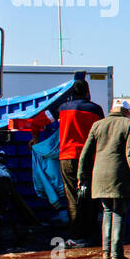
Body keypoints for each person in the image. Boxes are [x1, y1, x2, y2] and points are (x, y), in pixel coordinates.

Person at [77, 99, 130, 259]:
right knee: (119, 213)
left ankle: (106, 254)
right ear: (126, 111)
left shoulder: (98, 125)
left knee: (107, 211)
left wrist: (81, 176)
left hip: (99, 176)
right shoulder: (129, 124)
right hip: (119, 176)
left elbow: (86, 153)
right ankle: (117, 255)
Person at [55, 78, 104, 244]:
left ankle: (77, 236)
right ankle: (91, 233)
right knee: (90, 195)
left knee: (72, 197)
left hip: (67, 158)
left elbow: (40, 120)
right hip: (89, 158)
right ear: (87, 92)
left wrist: (34, 136)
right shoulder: (95, 110)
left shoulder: (61, 109)